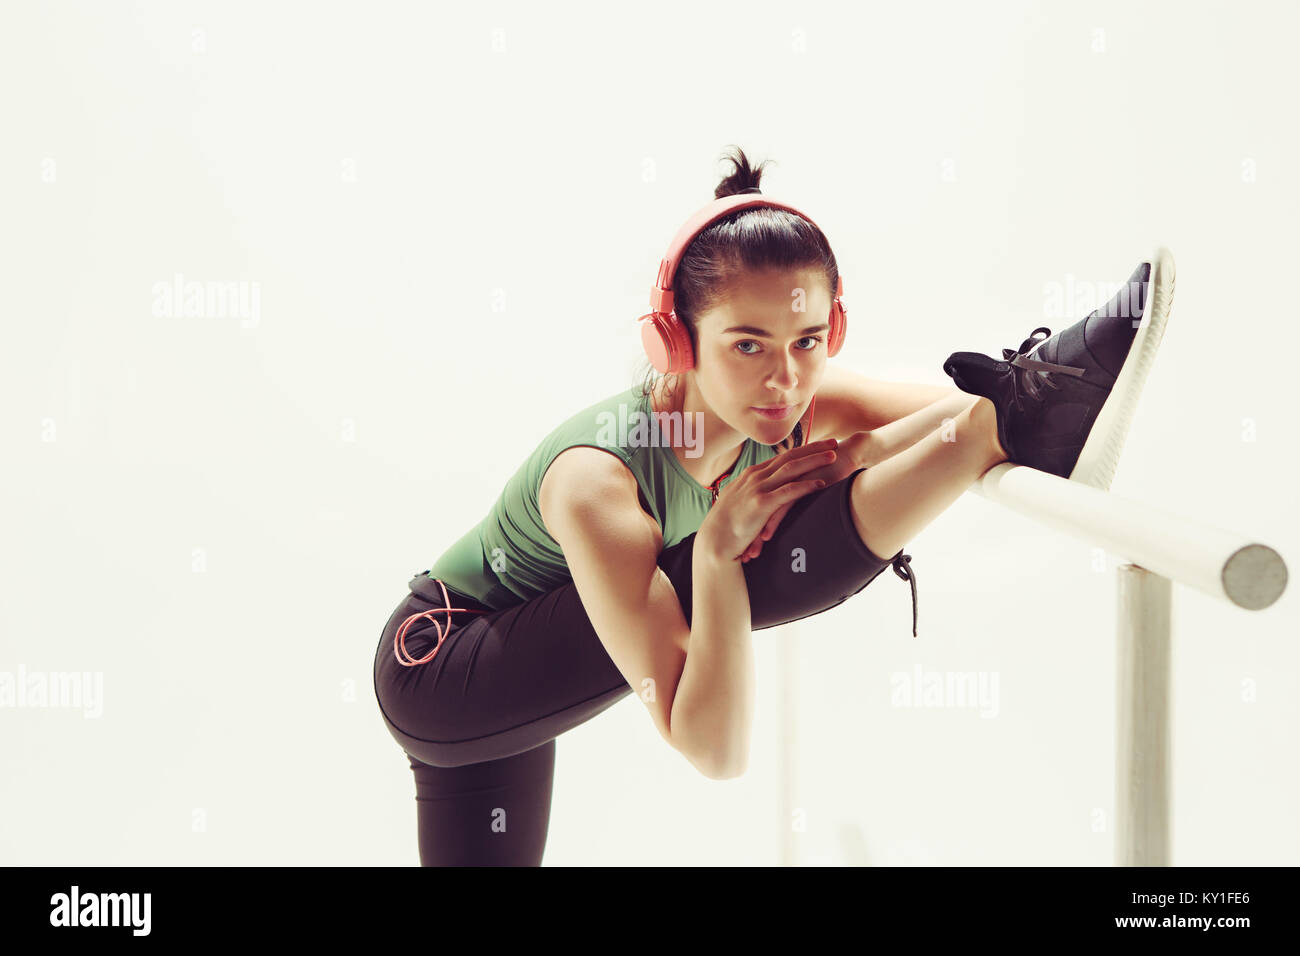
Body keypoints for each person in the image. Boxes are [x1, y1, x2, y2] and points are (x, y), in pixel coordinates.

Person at [371, 146, 1174, 866]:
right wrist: (717, 555)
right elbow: (710, 746)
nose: (784, 381)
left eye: (806, 341)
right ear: (676, 343)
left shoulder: (793, 400)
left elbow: (955, 408)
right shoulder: (600, 484)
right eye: (746, 345)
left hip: (510, 675)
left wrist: (1011, 407)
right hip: (444, 663)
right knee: (738, 546)